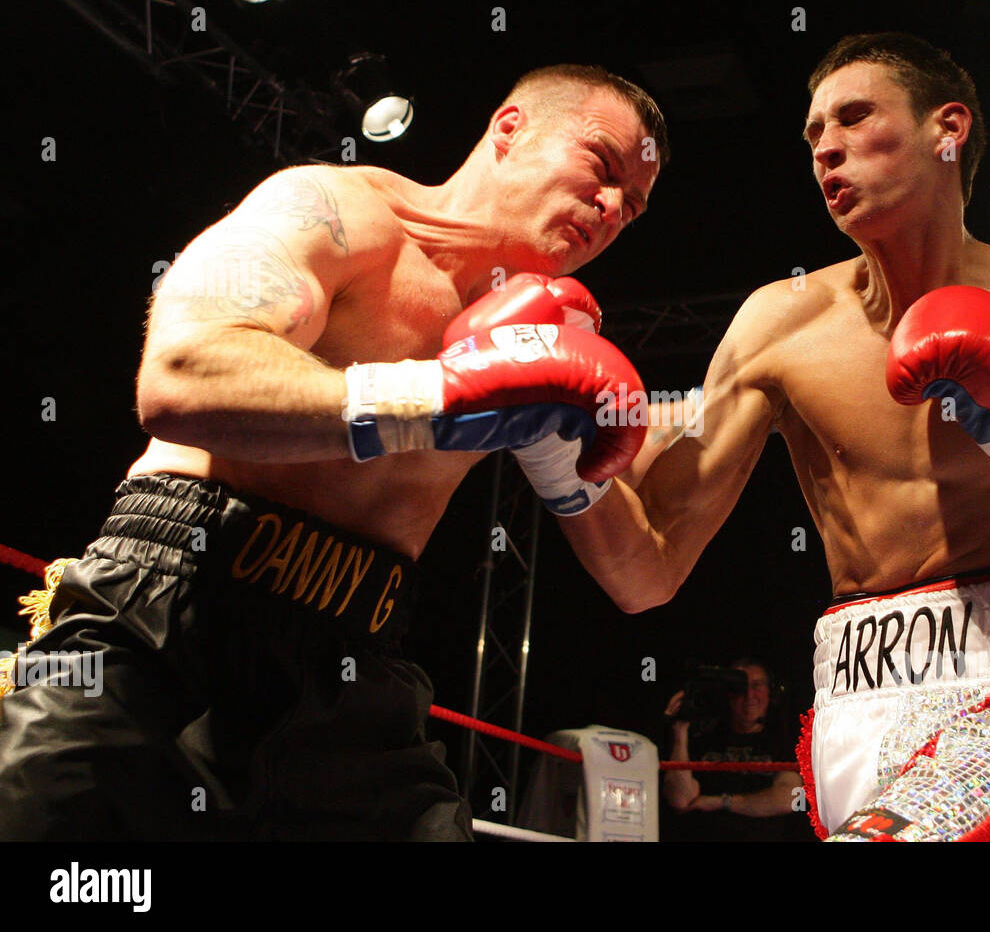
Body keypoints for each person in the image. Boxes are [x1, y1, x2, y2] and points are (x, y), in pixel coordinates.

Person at [550, 34, 990, 841]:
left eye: (854, 116)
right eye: (813, 135)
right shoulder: (779, 324)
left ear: (949, 128)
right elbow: (645, 571)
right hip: (857, 701)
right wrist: (556, 447)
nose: (826, 146)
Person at [0, 64, 666, 840]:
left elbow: (639, 580)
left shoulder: (533, 342)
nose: (615, 207)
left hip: (355, 662)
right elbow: (181, 375)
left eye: (636, 203)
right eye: (602, 165)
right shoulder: (334, 210)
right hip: (172, 607)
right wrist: (441, 397)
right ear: (510, 130)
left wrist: (562, 463)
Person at [661, 659, 805, 842]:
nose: (749, 694)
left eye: (757, 685)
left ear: (771, 692)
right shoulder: (704, 738)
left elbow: (791, 798)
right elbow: (680, 799)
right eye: (739, 686)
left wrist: (719, 802)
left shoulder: (781, 740)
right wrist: (680, 731)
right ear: (728, 694)